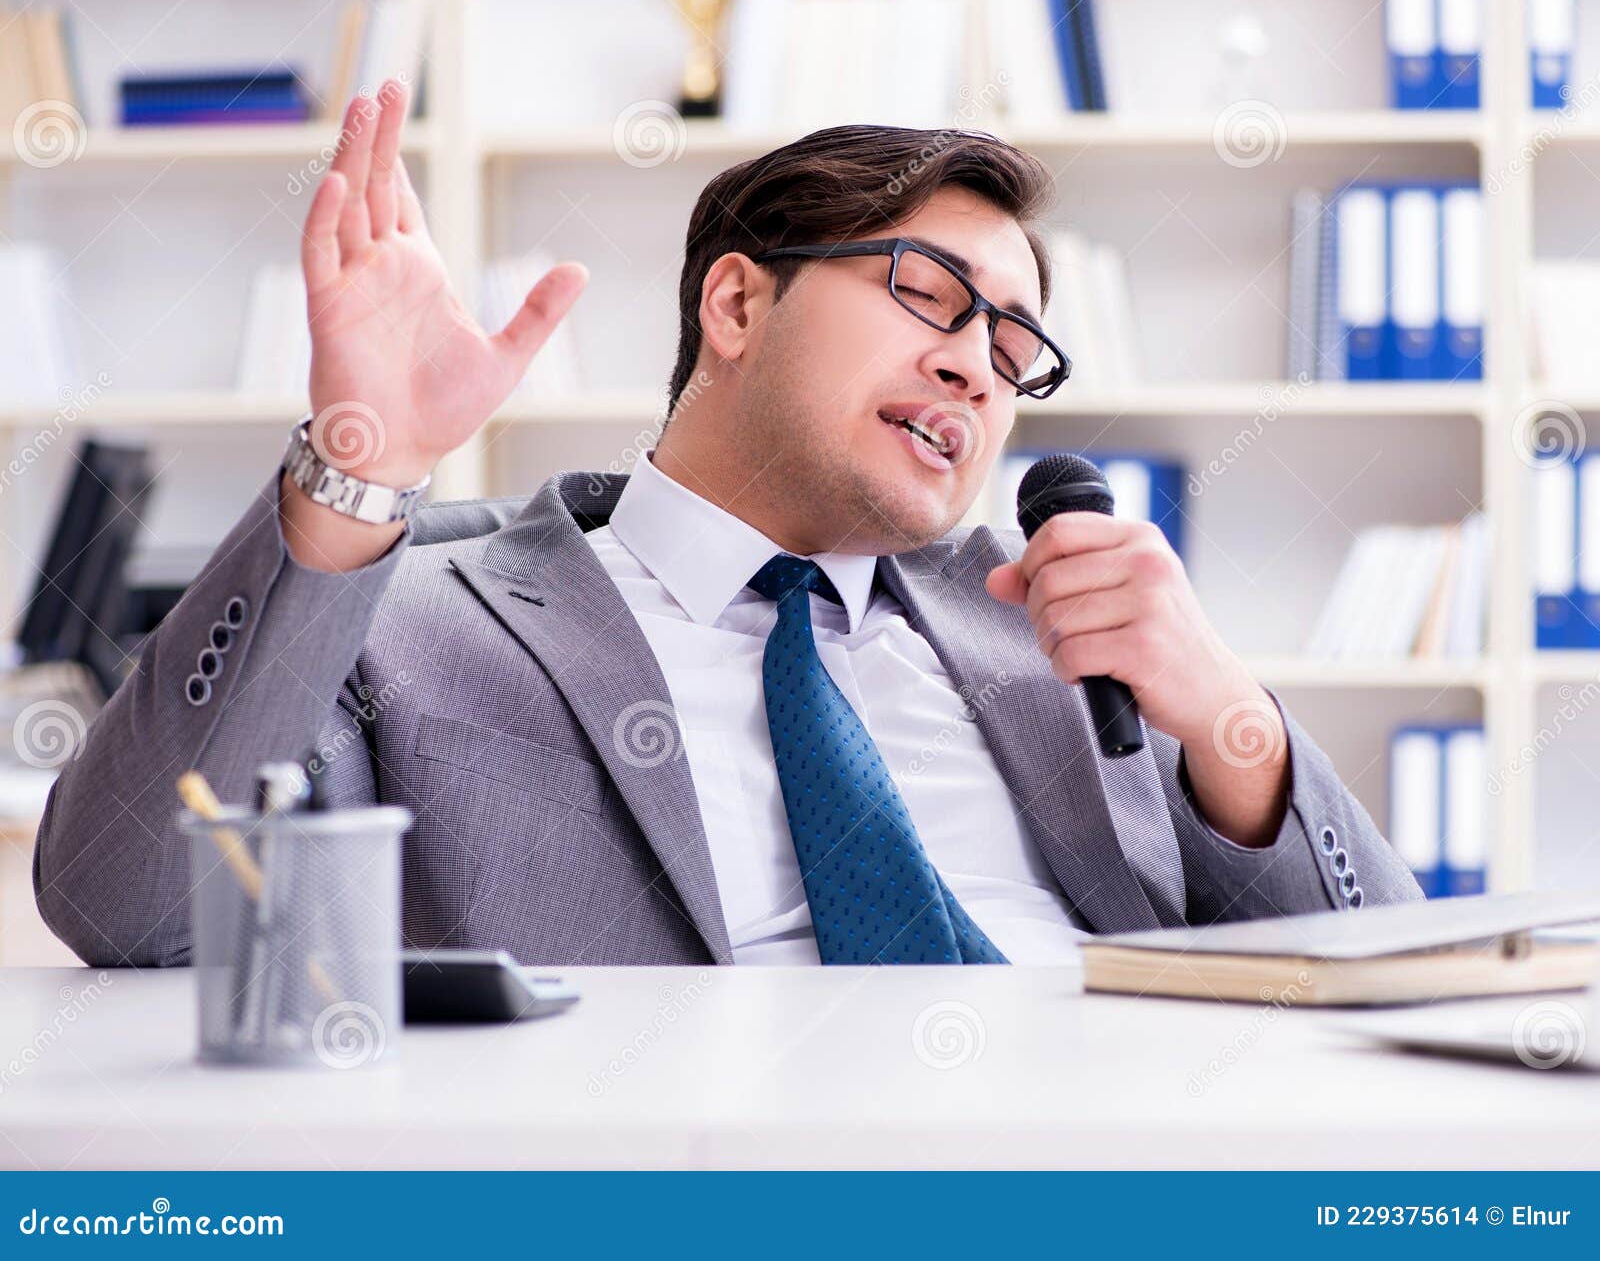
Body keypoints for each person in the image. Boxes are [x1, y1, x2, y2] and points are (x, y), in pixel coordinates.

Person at [34, 79, 1422, 968]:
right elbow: (123, 904)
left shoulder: (1065, 647)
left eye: (1014, 350)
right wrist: (360, 469)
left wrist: (1233, 729)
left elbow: (1382, 977)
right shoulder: (414, 623)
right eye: (932, 295)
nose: (973, 369)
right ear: (739, 305)